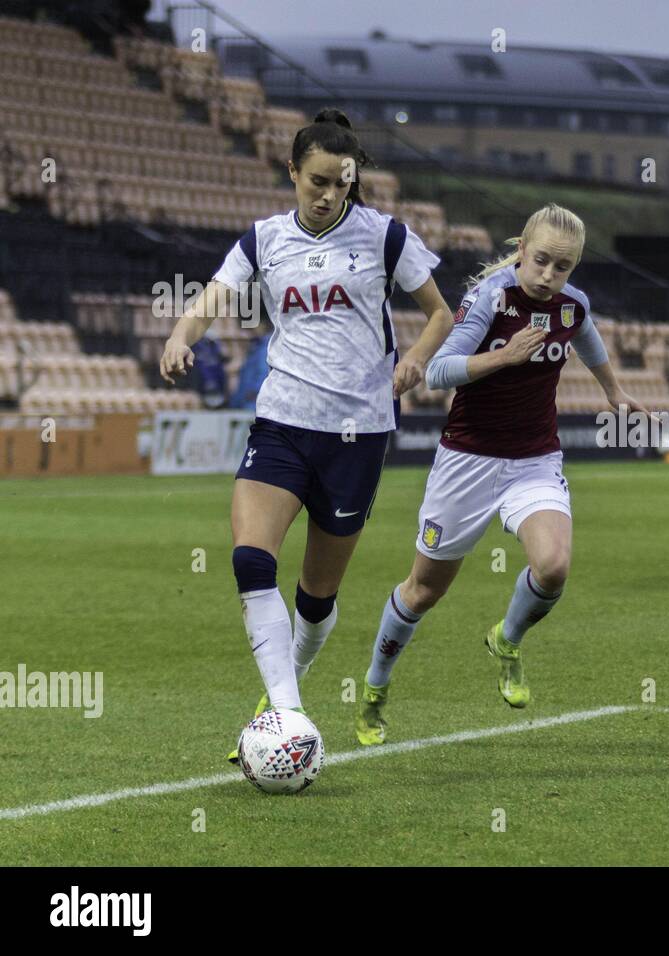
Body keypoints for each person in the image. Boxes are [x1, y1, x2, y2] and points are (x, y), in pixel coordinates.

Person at [158, 108, 454, 760]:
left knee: (315, 602)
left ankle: (283, 696)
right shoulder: (264, 239)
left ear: (353, 183)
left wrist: (415, 360)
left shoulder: (384, 237)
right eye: (315, 180)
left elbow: (440, 312)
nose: (326, 194)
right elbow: (214, 296)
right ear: (292, 171)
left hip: (358, 435)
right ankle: (289, 716)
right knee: (249, 558)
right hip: (282, 422)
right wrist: (182, 335)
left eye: (340, 184)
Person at [354, 203, 646, 744]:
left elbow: (585, 334)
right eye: (540, 262)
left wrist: (613, 390)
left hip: (534, 459)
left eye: (562, 268)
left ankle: (507, 640)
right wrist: (504, 357)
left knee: (554, 567)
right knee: (422, 592)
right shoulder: (490, 298)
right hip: (466, 461)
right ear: (522, 250)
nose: (548, 276)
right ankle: (374, 689)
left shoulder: (571, 305)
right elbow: (438, 372)